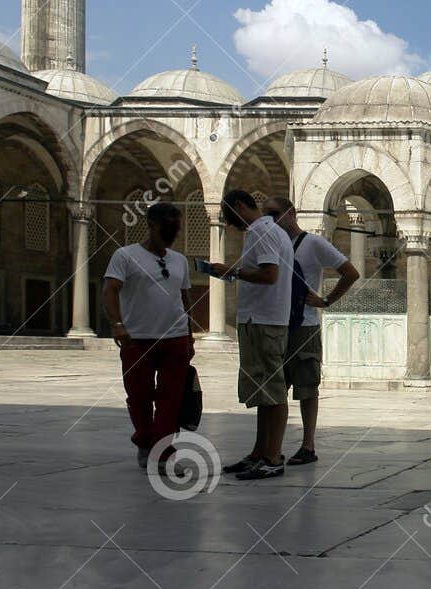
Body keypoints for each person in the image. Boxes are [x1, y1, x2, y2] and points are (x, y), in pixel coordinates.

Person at [264, 196, 360, 466]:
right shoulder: (271, 244)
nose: (271, 220)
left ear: (291, 214)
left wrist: (326, 300)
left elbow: (350, 272)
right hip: (278, 323)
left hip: (304, 325)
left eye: (275, 213)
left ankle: (308, 445)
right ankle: (272, 447)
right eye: (266, 215)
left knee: (306, 386)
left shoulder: (313, 243)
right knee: (275, 387)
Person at [209, 189, 294, 481]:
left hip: (264, 321)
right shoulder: (270, 231)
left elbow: (270, 275)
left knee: (273, 389)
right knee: (263, 390)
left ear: (239, 206)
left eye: (229, 215)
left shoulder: (262, 232)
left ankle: (272, 457)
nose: (230, 223)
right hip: (261, 319)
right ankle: (260, 452)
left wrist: (232, 272)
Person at [103, 201, 194, 473]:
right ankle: (145, 439)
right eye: (168, 226)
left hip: (174, 337)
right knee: (139, 396)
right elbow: (110, 290)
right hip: (137, 338)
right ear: (151, 224)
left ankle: (163, 453)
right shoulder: (125, 255)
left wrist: (189, 336)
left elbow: (184, 298)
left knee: (171, 398)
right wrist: (117, 324)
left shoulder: (179, 260)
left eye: (176, 228)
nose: (173, 232)